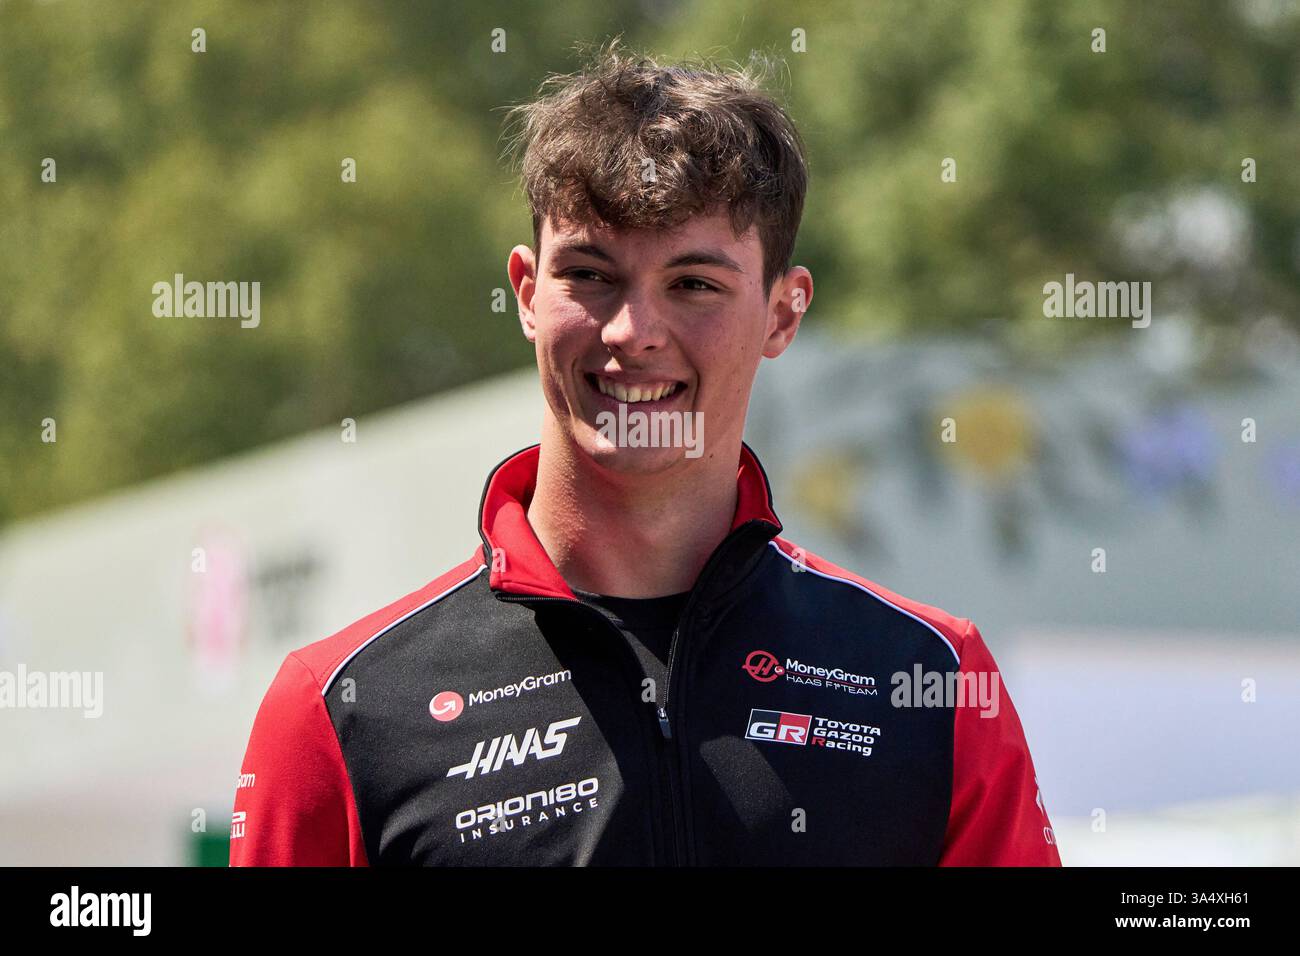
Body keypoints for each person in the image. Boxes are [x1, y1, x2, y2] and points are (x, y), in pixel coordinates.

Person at [230, 41, 1061, 866]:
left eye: (694, 284)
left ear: (782, 313)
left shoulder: (931, 681)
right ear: (527, 292)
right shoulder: (344, 710)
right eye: (590, 276)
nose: (633, 332)